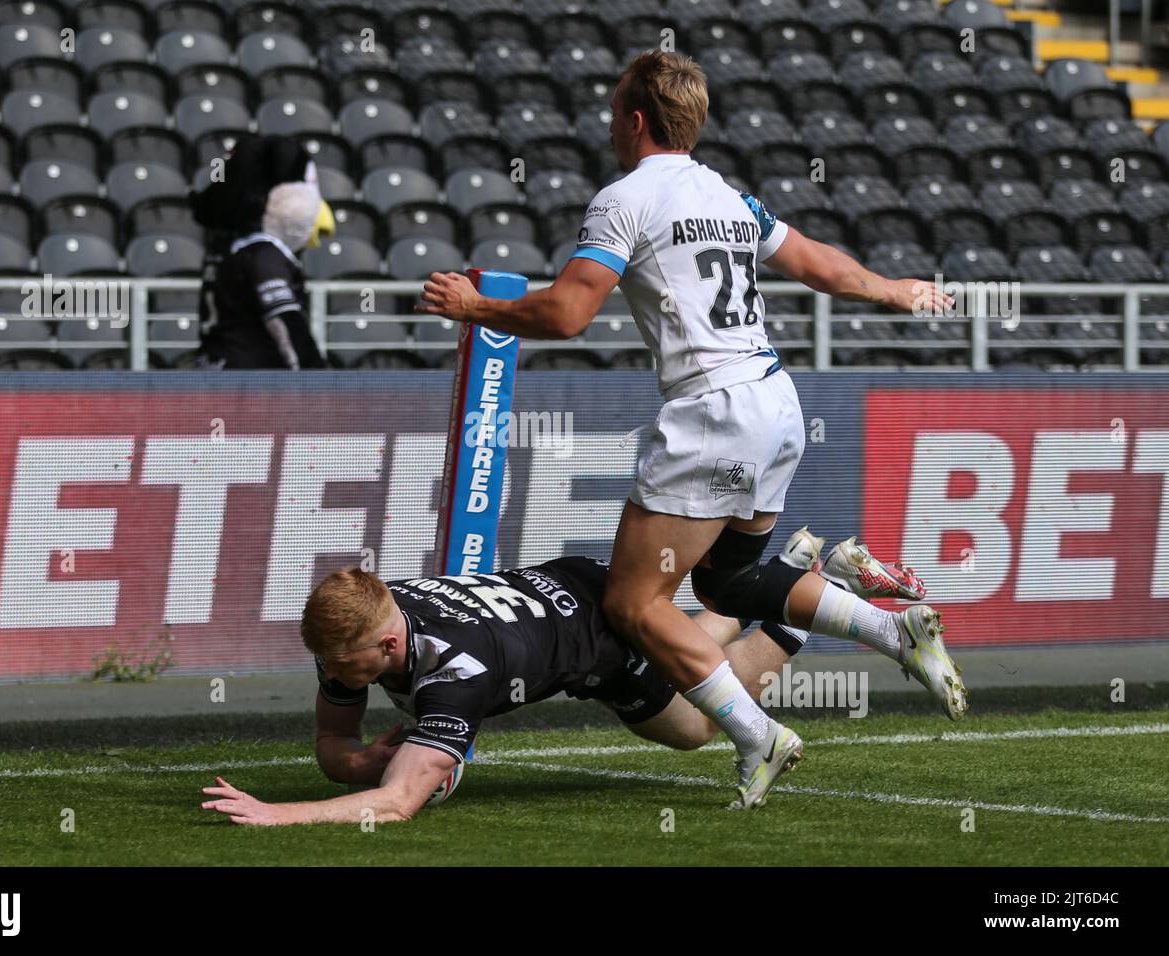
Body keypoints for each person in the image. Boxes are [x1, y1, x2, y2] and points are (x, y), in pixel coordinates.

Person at [416, 50, 966, 808]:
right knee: (729, 580)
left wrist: (472, 308)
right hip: (776, 402)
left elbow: (570, 314)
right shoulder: (728, 196)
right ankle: (892, 632)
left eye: (615, 112)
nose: (612, 125)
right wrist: (895, 290)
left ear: (635, 120)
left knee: (634, 605)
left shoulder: (626, 197)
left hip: (713, 412)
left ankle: (756, 736)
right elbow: (817, 265)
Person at [200, 530, 936, 826]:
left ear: (388, 643)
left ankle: (809, 590)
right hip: (564, 588)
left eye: (342, 665)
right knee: (696, 644)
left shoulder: (455, 673)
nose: (332, 674)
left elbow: (397, 805)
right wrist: (355, 760)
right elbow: (338, 744)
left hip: (598, 636)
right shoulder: (367, 616)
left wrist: (278, 812)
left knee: (695, 724)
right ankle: (795, 576)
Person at [191, 136, 335, 369]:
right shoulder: (262, 255)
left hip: (214, 368)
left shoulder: (224, 249)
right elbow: (284, 321)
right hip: (251, 385)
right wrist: (316, 377)